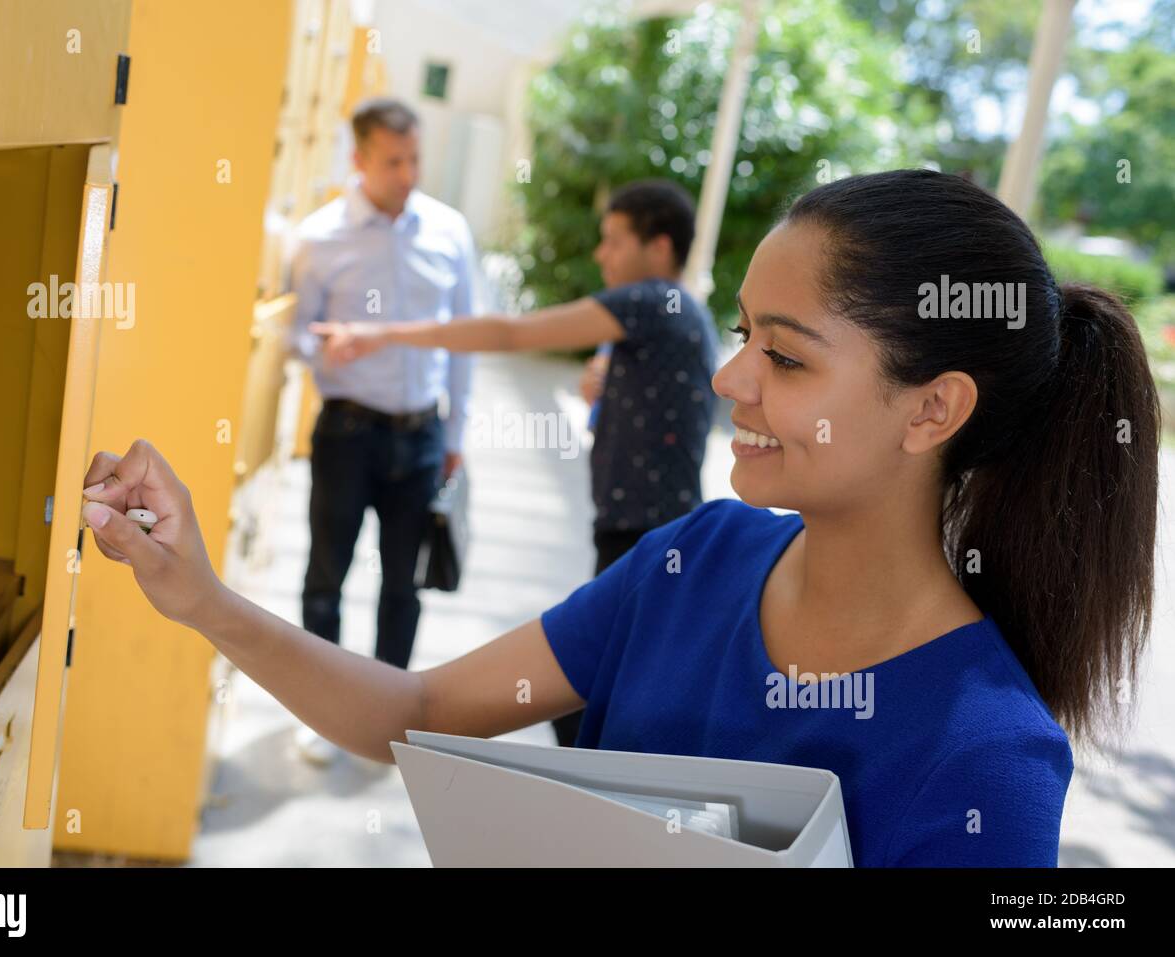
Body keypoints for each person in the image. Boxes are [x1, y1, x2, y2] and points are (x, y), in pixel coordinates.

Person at [79, 170, 1159, 866]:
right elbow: (410, 712)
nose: (731, 376)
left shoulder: (986, 762)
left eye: (783, 355)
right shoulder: (694, 558)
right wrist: (203, 600)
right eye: (741, 331)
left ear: (934, 408)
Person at [311, 178, 719, 748]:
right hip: (650, 532)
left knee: (582, 695)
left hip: (643, 537)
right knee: (596, 687)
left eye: (614, 241)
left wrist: (380, 333)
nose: (601, 254)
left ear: (659, 248)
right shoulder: (681, 314)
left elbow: (509, 331)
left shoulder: (649, 301)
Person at [282, 97, 480, 765]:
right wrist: (321, 353)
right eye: (393, 161)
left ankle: (390, 720)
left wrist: (456, 433)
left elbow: (463, 339)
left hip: (422, 435)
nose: (407, 173)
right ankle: (324, 717)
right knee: (325, 576)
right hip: (346, 432)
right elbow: (293, 333)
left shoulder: (449, 231)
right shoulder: (318, 238)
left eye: (415, 158)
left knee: (404, 584)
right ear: (359, 160)